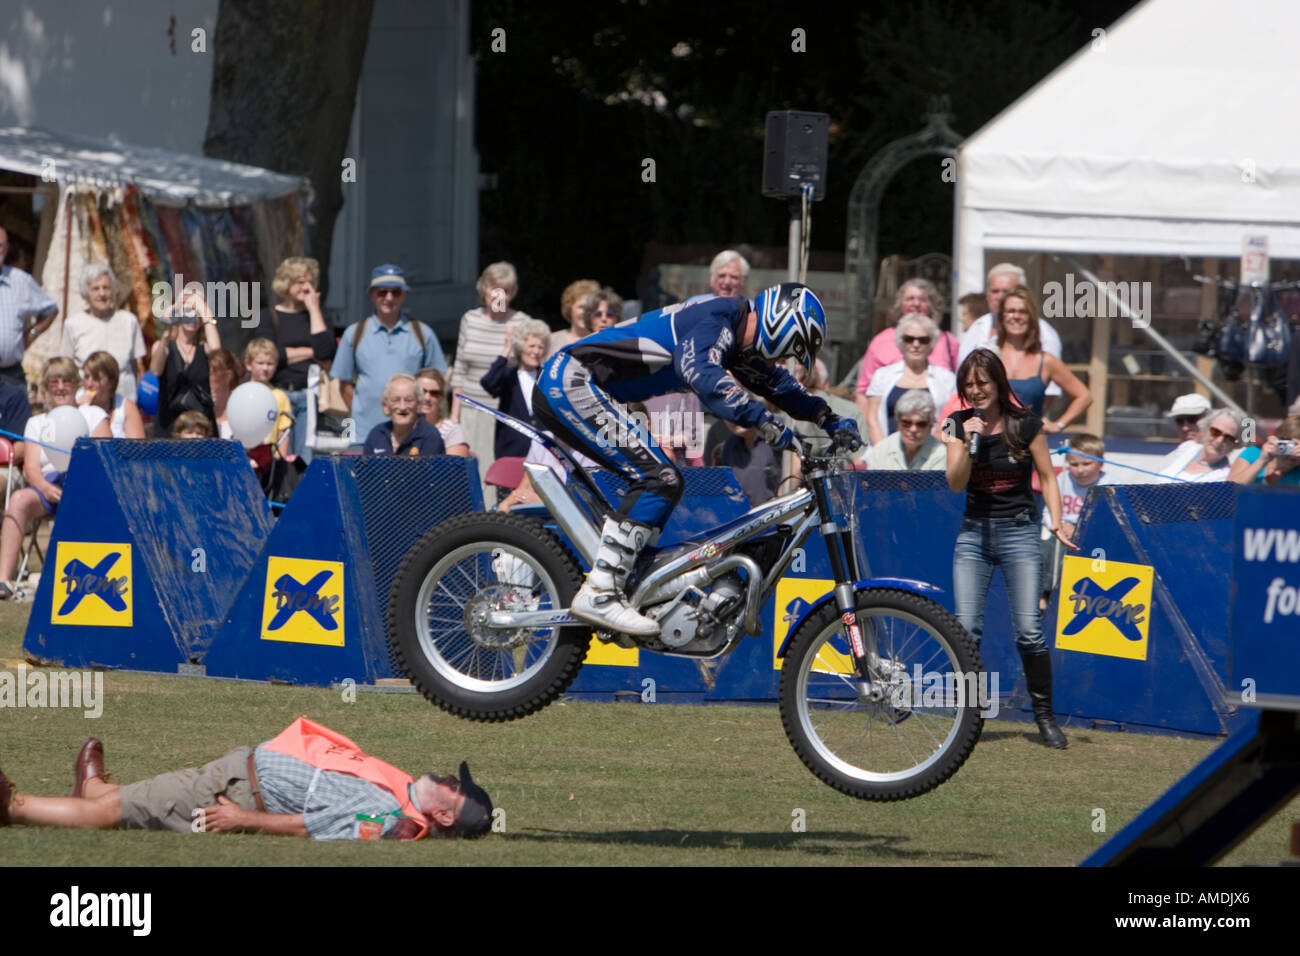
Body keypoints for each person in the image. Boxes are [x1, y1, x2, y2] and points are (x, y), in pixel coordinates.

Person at [534, 282, 860, 635]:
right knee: (660, 478)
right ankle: (600, 590)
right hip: (571, 382)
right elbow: (700, 372)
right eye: (787, 350)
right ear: (779, 325)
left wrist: (829, 419)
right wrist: (761, 419)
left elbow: (779, 386)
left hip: (589, 388)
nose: (781, 361)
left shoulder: (734, 339)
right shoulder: (718, 316)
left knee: (663, 479)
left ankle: (629, 573)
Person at [0, 718, 492, 840]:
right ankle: (93, 790)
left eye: (456, 786)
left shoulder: (390, 821)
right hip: (241, 769)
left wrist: (242, 819)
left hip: (236, 791)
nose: (451, 776)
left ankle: (14, 808)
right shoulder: (401, 793)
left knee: (113, 813)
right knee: (133, 799)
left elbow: (313, 826)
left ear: (443, 813)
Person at [943, 348, 1075, 749]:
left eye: (982, 382)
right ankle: (968, 719)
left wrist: (1055, 520)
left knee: (1030, 632)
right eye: (968, 384)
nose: (976, 390)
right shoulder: (957, 424)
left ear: (999, 383)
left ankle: (1045, 718)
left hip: (1019, 531)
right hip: (973, 535)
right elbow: (955, 482)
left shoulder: (1025, 424)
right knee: (965, 631)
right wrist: (970, 442)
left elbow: (1049, 478)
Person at [0, 357, 111, 599]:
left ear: (76, 384)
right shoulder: (36, 422)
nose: (60, 387)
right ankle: (4, 580)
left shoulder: (93, 415)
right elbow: (31, 467)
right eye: (54, 382)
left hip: (87, 484)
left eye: (67, 381)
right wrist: (44, 488)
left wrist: (79, 487)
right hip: (49, 484)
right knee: (18, 499)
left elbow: (105, 460)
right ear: (46, 387)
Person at [332, 264, 447, 443]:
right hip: (363, 433)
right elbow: (344, 383)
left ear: (404, 295)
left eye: (396, 292)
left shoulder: (423, 333)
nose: (389, 297)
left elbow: (437, 380)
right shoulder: (354, 333)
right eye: (382, 292)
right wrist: (362, 410)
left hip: (412, 434)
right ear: (371, 294)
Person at [449, 261, 532, 470]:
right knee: (468, 470)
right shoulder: (470, 319)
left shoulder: (522, 322)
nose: (499, 296)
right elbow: (459, 369)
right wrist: (454, 415)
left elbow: (529, 370)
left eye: (505, 291)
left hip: (505, 412)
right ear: (483, 290)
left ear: (512, 294)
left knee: (497, 472)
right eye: (494, 289)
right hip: (469, 408)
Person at [261, 257, 337, 464]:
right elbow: (272, 355)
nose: (307, 287)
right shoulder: (270, 317)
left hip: (309, 394)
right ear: (287, 283)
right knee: (278, 454)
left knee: (305, 457)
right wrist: (309, 351)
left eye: (310, 282)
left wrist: (313, 309)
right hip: (279, 393)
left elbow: (325, 352)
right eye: (300, 281)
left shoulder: (321, 315)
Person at [990, 285, 1091, 431]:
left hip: (1029, 446)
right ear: (1001, 317)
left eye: (1023, 312)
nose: (1016, 316)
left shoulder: (1045, 361)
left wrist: (1058, 425)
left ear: (1031, 317)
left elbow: (1084, 396)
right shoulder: (989, 357)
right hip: (992, 444)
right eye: (1010, 311)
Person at [1040, 433, 1116, 609]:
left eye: (1086, 464)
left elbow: (1110, 522)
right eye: (1074, 464)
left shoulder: (1111, 483)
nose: (1080, 470)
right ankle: (1044, 596)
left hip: (1093, 537)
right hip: (1062, 533)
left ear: (1100, 462)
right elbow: (1047, 512)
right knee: (1047, 546)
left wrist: (1080, 531)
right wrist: (1058, 526)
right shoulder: (1061, 480)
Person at [854, 279, 960, 403]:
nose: (916, 304)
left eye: (923, 299)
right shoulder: (881, 341)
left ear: (932, 306)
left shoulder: (948, 342)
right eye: (910, 299)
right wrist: (869, 422)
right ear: (899, 304)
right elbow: (862, 392)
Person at [862, 312, 956, 445]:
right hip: (885, 459)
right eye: (909, 339)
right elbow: (872, 420)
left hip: (934, 458)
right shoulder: (882, 376)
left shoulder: (948, 379)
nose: (916, 344)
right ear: (901, 341)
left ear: (932, 343)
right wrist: (884, 453)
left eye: (923, 340)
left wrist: (936, 452)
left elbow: (951, 421)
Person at [59, 263, 147, 400]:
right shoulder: (73, 324)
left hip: (124, 397)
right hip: (88, 398)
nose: (102, 294)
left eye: (106, 288)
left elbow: (136, 365)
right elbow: (66, 366)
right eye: (95, 288)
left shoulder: (129, 321)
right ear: (86, 292)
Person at [957, 263, 1064, 365]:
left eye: (1006, 291)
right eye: (994, 291)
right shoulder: (978, 327)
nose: (999, 297)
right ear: (987, 294)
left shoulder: (1042, 332)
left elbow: (1052, 380)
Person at [149, 288, 221, 435]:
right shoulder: (164, 346)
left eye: (197, 313)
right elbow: (155, 370)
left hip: (201, 430)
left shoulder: (204, 349)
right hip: (169, 428)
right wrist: (167, 329)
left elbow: (215, 347)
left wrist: (203, 308)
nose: (192, 317)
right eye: (187, 311)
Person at [480, 318, 550, 461]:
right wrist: (506, 351)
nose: (536, 351)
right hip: (512, 451)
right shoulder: (508, 376)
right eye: (531, 346)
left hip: (543, 451)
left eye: (540, 347)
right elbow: (488, 383)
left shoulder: (547, 377)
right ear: (520, 347)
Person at [0, 225, 58, 387]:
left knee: (19, 413)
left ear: (6, 248)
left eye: (0, 245)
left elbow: (51, 309)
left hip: (11, 374)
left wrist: (32, 333)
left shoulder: (20, 281)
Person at [244, 339, 294, 481]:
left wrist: (281, 462)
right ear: (248, 364)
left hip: (269, 462)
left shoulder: (280, 397)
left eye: (270, 364)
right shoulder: (240, 393)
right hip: (245, 459)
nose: (265, 368)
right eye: (260, 363)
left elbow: (283, 433)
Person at [364, 374, 447, 456]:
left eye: (409, 400)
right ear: (385, 406)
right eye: (395, 400)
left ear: (418, 404)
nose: (402, 407)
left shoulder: (430, 436)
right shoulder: (377, 435)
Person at [1156, 408, 1243, 483]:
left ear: (1234, 444)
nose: (1219, 441)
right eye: (1215, 432)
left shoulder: (1225, 476)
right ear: (1205, 430)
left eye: (1228, 438)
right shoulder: (1187, 448)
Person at [866, 390, 946, 470]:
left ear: (930, 425)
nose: (913, 429)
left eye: (921, 424)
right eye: (906, 423)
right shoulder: (880, 450)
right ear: (898, 422)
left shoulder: (940, 454)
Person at [80, 351, 145, 439]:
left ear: (111, 382)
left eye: (96, 378)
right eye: (87, 377)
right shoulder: (77, 404)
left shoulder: (125, 407)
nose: (89, 384)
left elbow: (137, 448)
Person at [1229, 416, 1300, 487]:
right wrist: (1262, 461)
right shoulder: (1254, 453)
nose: (1294, 452)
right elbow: (1228, 490)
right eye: (1292, 445)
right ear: (1279, 440)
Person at [416, 367, 470, 456]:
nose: (427, 398)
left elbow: (455, 467)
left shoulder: (452, 431)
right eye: (422, 391)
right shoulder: (403, 428)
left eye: (434, 393)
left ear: (441, 397)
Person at [546, 279, 600, 358]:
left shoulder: (601, 341)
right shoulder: (551, 341)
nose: (585, 313)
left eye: (590, 308)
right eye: (581, 307)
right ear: (570, 308)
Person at [684, 249, 750, 304]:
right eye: (722, 276)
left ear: (743, 281)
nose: (727, 282)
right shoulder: (694, 304)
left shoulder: (753, 311)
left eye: (734, 277)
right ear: (712, 279)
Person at [207, 348, 242, 441]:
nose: (204, 377)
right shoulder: (199, 408)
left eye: (210, 373)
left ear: (228, 376)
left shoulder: (242, 410)